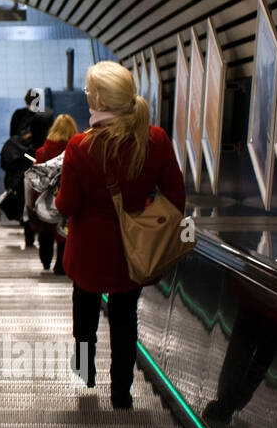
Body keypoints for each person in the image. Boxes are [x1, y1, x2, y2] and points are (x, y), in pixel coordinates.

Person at [54, 62, 185, 409]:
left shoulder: (80, 147)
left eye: (88, 93)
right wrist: (142, 210)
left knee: (84, 319)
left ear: (98, 99)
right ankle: (121, 392)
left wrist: (55, 194)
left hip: (88, 255)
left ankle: (85, 373)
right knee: (126, 320)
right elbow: (176, 198)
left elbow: (67, 206)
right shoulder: (155, 139)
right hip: (133, 255)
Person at [31, 113, 77, 274]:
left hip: (46, 199)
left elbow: (36, 179)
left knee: (46, 230)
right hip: (67, 195)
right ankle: (61, 265)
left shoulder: (42, 152)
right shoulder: (76, 150)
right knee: (64, 230)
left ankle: (45, 261)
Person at [0, 126, 36, 247]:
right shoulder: (31, 147)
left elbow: (3, 164)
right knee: (29, 207)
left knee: (24, 207)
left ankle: (28, 236)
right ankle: (30, 236)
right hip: (28, 180)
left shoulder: (10, 144)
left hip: (14, 181)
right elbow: (34, 160)